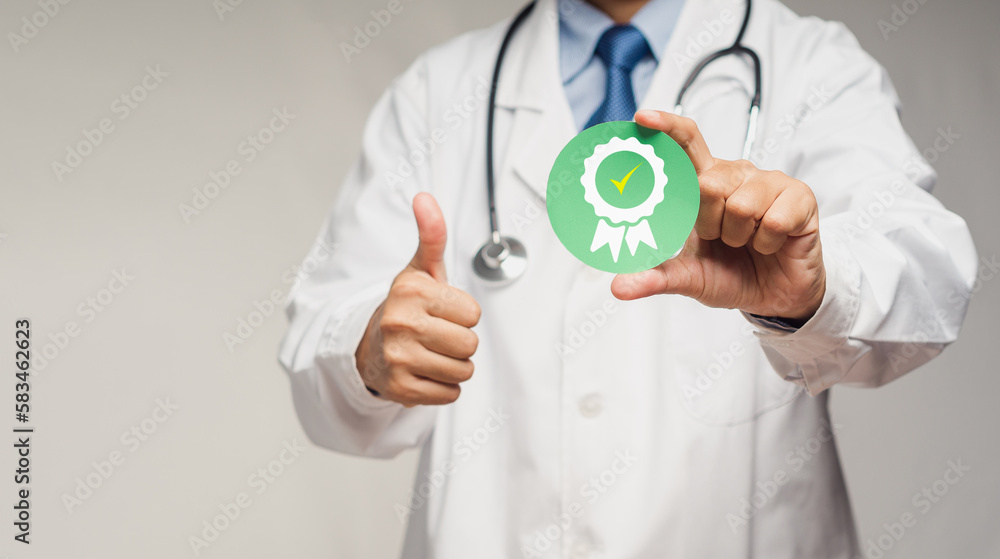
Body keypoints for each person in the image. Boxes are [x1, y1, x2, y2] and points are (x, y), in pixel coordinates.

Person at [279, 0, 977, 556]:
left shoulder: (812, 63)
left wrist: (817, 291)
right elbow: (320, 350)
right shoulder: (439, 91)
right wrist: (368, 351)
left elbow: (928, 274)